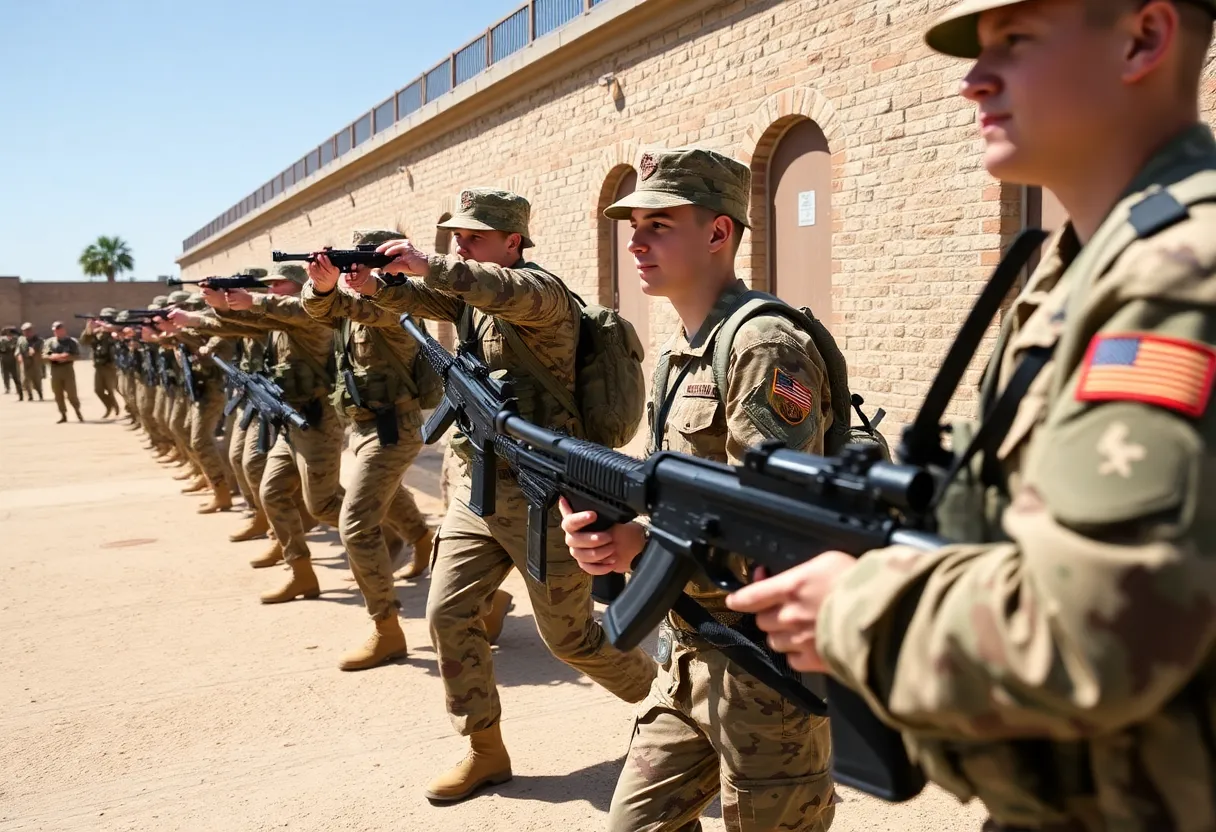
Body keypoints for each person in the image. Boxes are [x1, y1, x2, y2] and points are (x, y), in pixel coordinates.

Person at [726, 1, 1216, 830]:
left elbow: (1101, 629)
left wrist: (852, 607)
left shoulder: (1178, 277)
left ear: (1144, 37)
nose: (971, 81)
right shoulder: (1086, 268)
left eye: (1015, 43)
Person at [559, 149, 837, 831]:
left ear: (718, 233)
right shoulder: (686, 352)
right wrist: (608, 529)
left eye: (659, 224)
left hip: (762, 670)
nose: (635, 241)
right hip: (687, 657)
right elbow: (679, 490)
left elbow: (779, 528)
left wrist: (640, 546)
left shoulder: (764, 347)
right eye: (633, 224)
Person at [363, 189, 657, 802]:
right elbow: (394, 304)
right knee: (446, 615)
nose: (460, 244)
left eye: (474, 236)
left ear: (513, 243)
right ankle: (484, 750)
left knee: (571, 639)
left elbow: (495, 288)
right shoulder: (468, 298)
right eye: (457, 236)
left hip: (545, 498)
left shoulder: (540, 296)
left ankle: (667, 702)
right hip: (478, 492)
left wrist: (428, 263)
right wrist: (354, 283)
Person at [301, 228, 443, 671]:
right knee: (384, 503)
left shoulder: (397, 304)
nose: (355, 271)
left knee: (357, 525)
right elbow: (319, 308)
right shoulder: (354, 304)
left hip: (393, 429)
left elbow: (366, 309)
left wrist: (352, 288)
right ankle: (479, 592)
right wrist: (318, 285)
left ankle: (387, 630)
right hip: (362, 427)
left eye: (365, 261)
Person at [80, 309, 121, 418]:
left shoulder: (115, 330)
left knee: (113, 389)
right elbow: (84, 341)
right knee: (98, 390)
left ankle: (126, 409)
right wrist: (89, 328)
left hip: (111, 365)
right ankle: (110, 406)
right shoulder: (97, 332)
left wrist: (108, 328)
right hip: (99, 365)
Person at [42, 321, 83, 423]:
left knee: (71, 393)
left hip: (67, 370)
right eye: (55, 330)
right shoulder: (50, 342)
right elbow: (44, 355)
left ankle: (77, 411)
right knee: (58, 394)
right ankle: (63, 414)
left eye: (58, 330)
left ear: (63, 330)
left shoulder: (71, 342)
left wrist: (66, 357)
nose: (56, 332)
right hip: (55, 370)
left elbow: (77, 356)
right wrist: (53, 357)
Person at [17, 322, 44, 402]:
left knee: (36, 380)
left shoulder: (39, 340)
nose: (27, 332)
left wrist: (35, 351)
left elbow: (41, 349)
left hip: (35, 363)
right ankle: (30, 395)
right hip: (25, 363)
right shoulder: (21, 339)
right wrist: (19, 355)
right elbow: (18, 350)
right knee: (25, 380)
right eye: (25, 331)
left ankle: (40, 394)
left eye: (28, 330)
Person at [0, 325, 22, 398]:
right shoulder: (2, 339)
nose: (9, 333)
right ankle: (7, 388)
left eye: (10, 331)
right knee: (5, 374)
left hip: (13, 359)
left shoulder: (17, 339)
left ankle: (18, 389)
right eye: (7, 331)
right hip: (4, 358)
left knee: (16, 375)